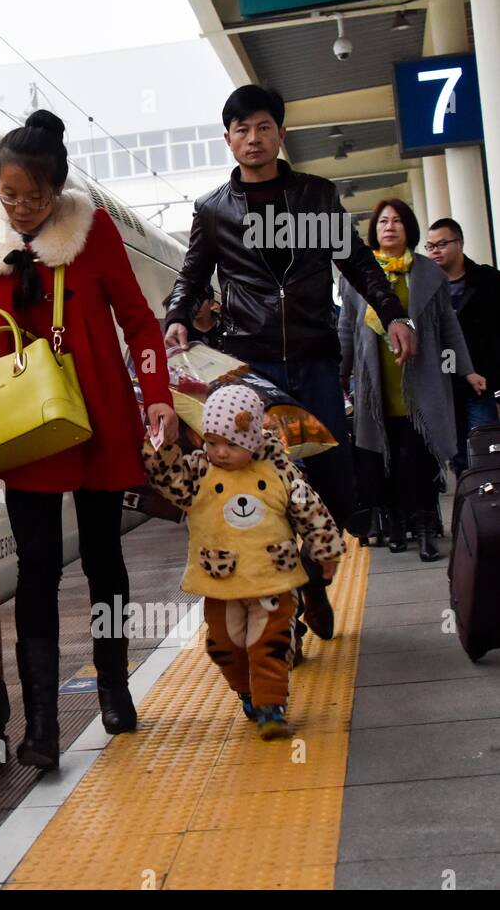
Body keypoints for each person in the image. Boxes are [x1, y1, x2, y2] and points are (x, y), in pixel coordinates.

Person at [0, 110, 177, 768]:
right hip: (26, 426)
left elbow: (141, 325)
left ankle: (114, 686)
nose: (20, 208)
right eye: (8, 195)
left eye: (33, 197)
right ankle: (41, 725)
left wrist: (157, 404)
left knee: (103, 561)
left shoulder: (95, 236)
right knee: (35, 570)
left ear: (59, 190)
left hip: (97, 419)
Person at [163, 85, 415, 644]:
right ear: (227, 139)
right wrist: (178, 316)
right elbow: (192, 276)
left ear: (280, 132)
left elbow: (357, 265)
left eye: (262, 127)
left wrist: (397, 315)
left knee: (330, 485)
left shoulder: (316, 197)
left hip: (314, 360)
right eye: (241, 130)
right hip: (249, 370)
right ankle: (283, 615)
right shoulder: (212, 211)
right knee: (266, 484)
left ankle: (311, 583)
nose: (252, 139)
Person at [143, 385, 345, 738]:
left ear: (252, 440)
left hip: (273, 577)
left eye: (232, 444)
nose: (220, 452)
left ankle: (271, 707)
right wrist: (160, 450)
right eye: (211, 441)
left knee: (271, 643)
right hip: (221, 580)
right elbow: (169, 482)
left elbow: (309, 509)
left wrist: (325, 549)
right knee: (222, 645)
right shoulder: (198, 472)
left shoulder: (278, 469)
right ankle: (246, 690)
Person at [340, 200, 481, 561]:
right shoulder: (358, 274)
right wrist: (341, 373)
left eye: (398, 221)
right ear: (374, 229)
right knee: (382, 457)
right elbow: (346, 330)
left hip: (421, 381)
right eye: (383, 221)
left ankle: (423, 525)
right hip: (375, 383)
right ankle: (394, 523)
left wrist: (467, 370)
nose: (390, 226)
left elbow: (450, 327)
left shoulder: (428, 273)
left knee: (416, 458)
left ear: (409, 229)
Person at [424, 218, 500, 474]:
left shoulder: (488, 280)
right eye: (430, 245)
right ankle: (470, 511)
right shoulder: (425, 288)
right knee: (459, 460)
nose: (435, 250)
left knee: (485, 451)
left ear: (460, 243)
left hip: (482, 383)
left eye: (442, 244)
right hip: (444, 388)